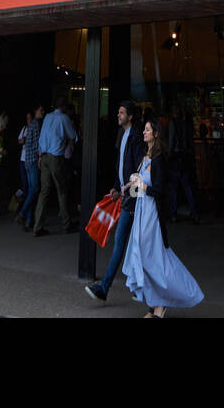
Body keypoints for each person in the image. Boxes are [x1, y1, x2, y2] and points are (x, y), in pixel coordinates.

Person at [121, 116, 204, 317]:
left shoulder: (158, 159)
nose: (144, 132)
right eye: (144, 130)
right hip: (142, 210)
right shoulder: (145, 155)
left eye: (148, 130)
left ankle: (164, 301)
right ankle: (155, 303)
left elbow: (160, 190)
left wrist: (142, 186)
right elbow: (142, 180)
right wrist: (129, 185)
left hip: (152, 213)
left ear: (156, 134)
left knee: (151, 258)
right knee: (143, 255)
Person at [85, 100, 145, 302]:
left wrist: (132, 198)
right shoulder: (122, 134)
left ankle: (106, 288)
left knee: (125, 243)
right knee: (133, 245)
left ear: (130, 116)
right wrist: (117, 186)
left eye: (121, 112)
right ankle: (137, 290)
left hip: (132, 198)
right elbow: (121, 164)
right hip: (125, 194)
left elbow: (139, 169)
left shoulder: (136, 136)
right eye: (118, 112)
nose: (118, 115)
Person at [33, 95, 78, 235]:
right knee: (62, 190)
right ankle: (66, 223)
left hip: (44, 156)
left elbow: (42, 137)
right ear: (64, 107)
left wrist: (40, 156)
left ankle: (37, 227)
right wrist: (68, 147)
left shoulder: (47, 117)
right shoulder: (64, 118)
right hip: (55, 158)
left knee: (44, 192)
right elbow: (73, 136)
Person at [167, 104, 199, 224]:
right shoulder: (184, 123)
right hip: (184, 156)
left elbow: (171, 141)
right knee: (187, 186)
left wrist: (169, 153)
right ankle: (194, 212)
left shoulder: (172, 123)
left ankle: (173, 214)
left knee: (174, 187)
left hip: (175, 157)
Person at [16, 103, 44, 230]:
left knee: (31, 191)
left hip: (26, 160)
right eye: (41, 110)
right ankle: (22, 213)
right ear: (36, 112)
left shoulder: (29, 126)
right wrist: (40, 157)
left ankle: (28, 220)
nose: (42, 112)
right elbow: (39, 142)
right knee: (34, 189)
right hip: (32, 160)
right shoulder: (36, 124)